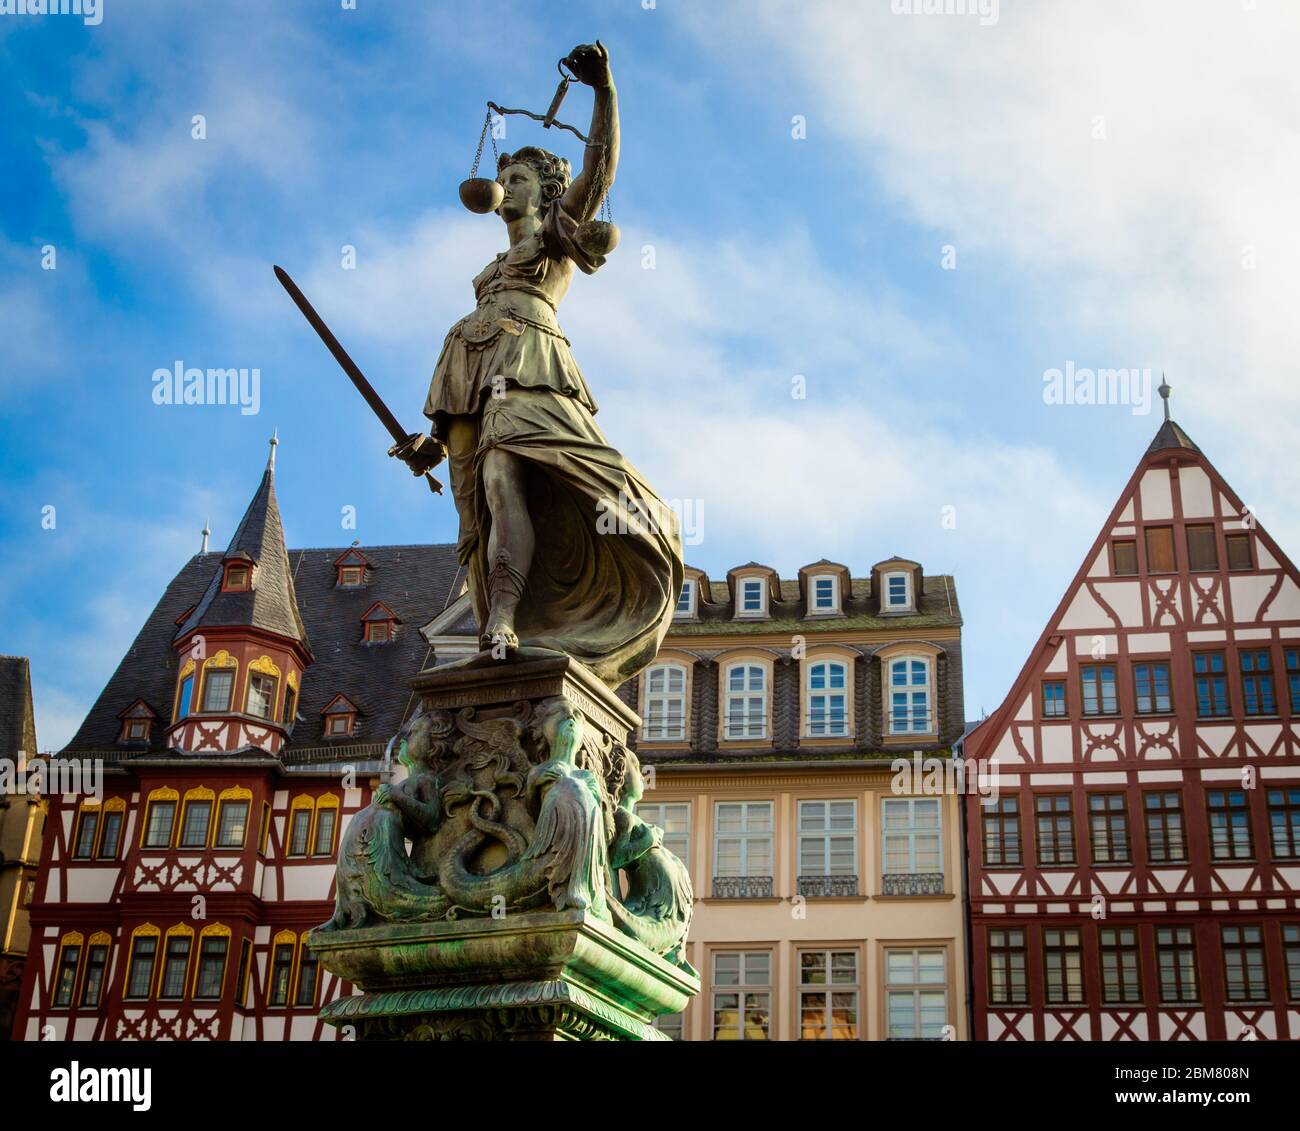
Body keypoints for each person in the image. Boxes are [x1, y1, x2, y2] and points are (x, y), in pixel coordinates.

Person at [393, 41, 682, 689]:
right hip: (470, 368)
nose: (506, 186)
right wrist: (431, 442)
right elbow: (458, 406)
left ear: (545, 191)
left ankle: (501, 619)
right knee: (479, 514)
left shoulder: (556, 235)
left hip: (532, 361)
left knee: (504, 479)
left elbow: (600, 171)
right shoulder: (491, 271)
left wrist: (604, 93)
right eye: (505, 177)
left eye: (519, 177)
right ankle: (499, 621)